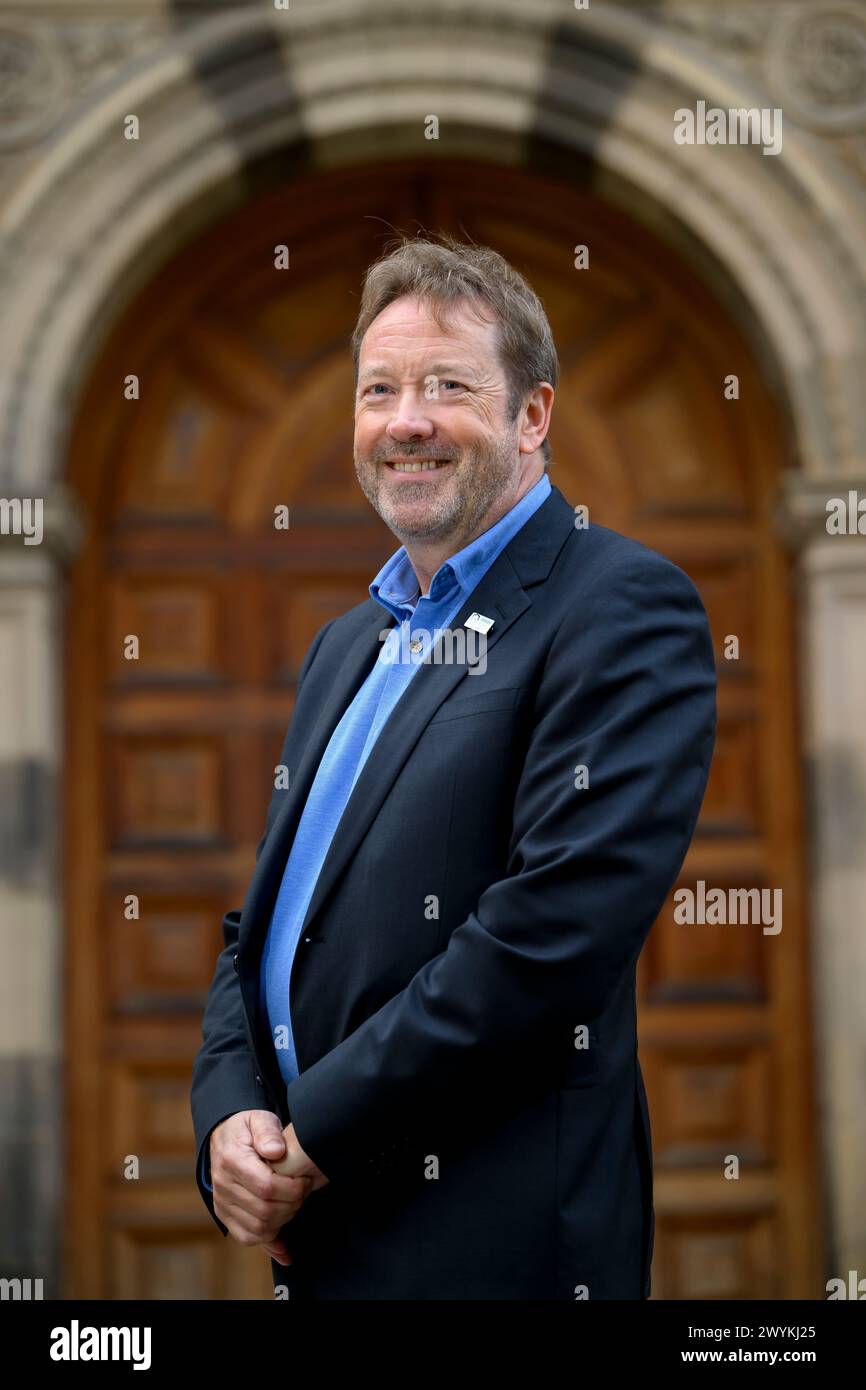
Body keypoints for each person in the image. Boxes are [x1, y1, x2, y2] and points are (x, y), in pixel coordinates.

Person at [190, 233, 717, 1299]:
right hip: (326, 1242)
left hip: (493, 1251)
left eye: (445, 386)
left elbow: (546, 939)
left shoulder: (617, 606)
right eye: (377, 389)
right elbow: (265, 924)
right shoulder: (347, 643)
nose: (404, 421)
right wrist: (227, 1115)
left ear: (532, 417)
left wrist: (315, 1131)